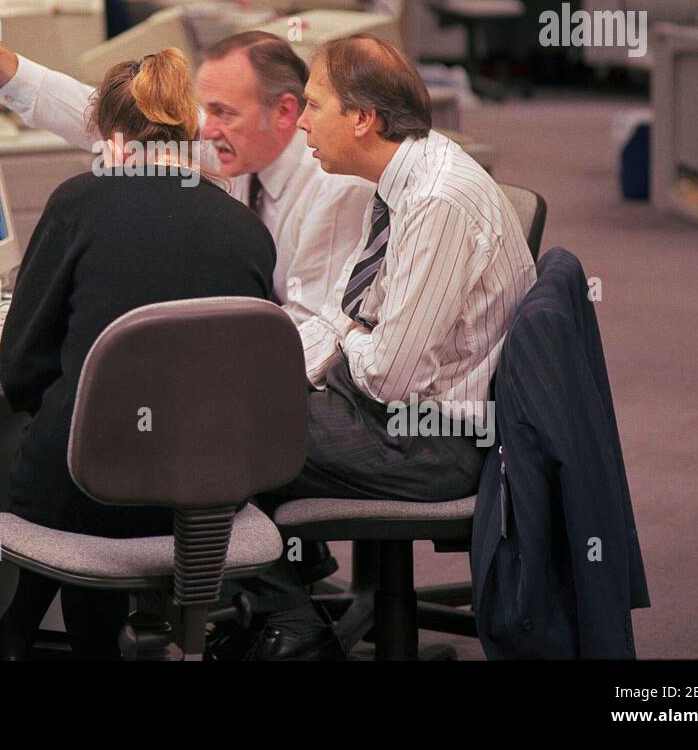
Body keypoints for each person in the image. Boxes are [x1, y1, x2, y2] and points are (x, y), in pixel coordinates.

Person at [228, 33, 537, 660]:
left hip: (436, 440)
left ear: (363, 119)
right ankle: (289, 595)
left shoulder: (435, 202)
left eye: (314, 106)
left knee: (211, 434)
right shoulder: (406, 176)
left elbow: (389, 375)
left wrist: (344, 339)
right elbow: (349, 314)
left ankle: (292, 623)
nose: (302, 121)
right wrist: (310, 354)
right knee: (237, 394)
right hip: (405, 411)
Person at [0, 48, 277, 659]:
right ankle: (22, 630)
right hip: (207, 502)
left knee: (71, 450)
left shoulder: (78, 204)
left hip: (89, 489)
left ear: (113, 142)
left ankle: (21, 632)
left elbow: (20, 367)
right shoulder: (246, 227)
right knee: (97, 449)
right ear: (192, 134)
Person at [0, 30, 373, 328]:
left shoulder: (334, 186)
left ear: (285, 113)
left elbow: (313, 334)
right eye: (205, 109)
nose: (203, 128)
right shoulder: (237, 141)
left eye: (222, 112)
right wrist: (2, 63)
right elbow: (110, 119)